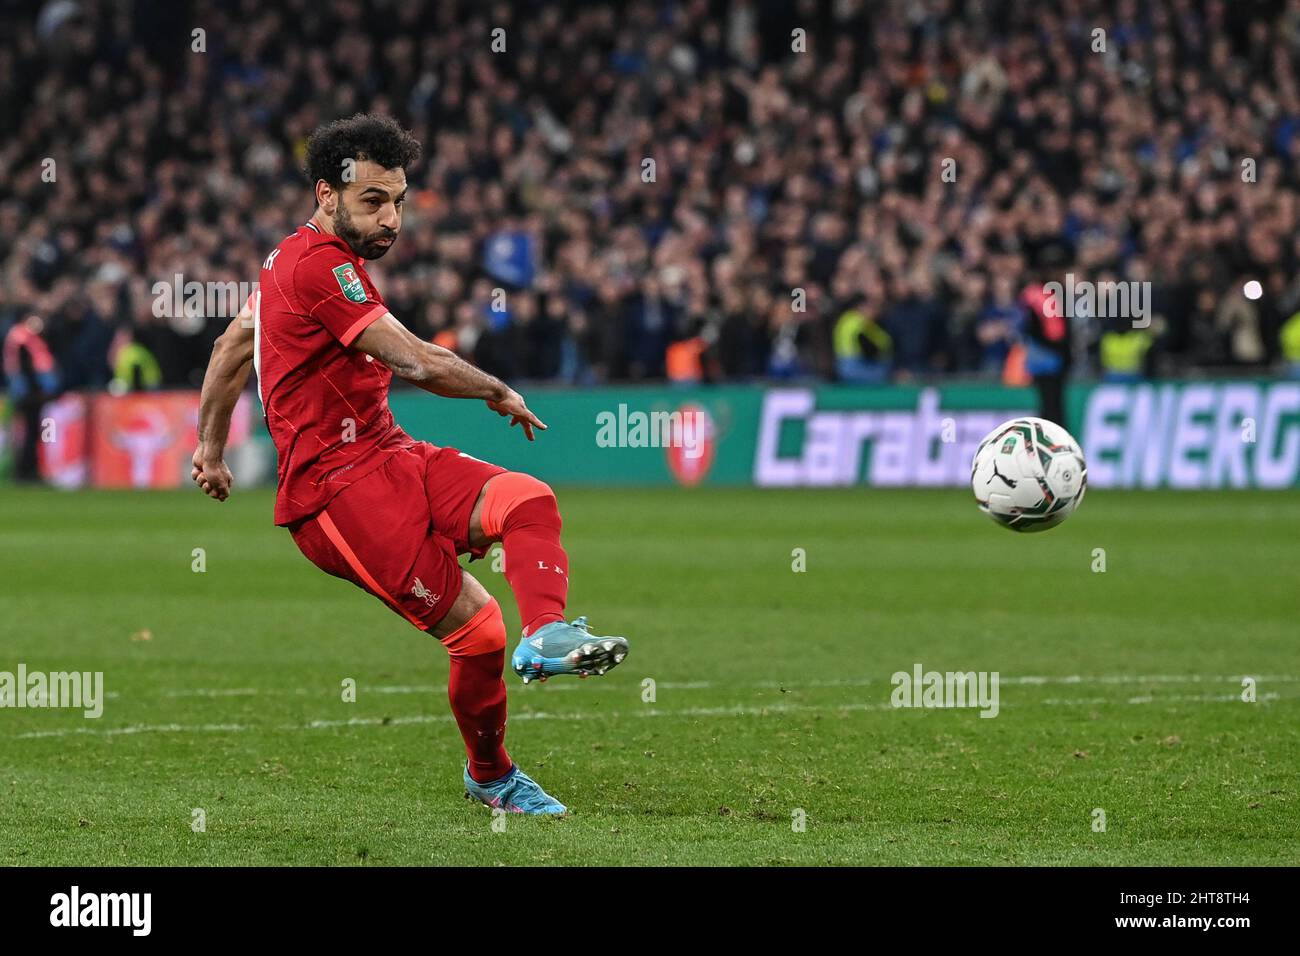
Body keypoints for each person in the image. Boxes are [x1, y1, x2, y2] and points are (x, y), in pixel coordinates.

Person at [191, 114, 628, 816]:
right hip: (334, 496)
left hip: (389, 452)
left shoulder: (286, 264)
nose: (391, 217)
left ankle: (545, 633)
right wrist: (496, 388)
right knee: (478, 631)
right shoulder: (319, 267)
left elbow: (229, 351)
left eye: (397, 200)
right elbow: (415, 360)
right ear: (325, 195)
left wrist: (209, 450)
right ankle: (491, 776)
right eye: (373, 201)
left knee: (528, 501)